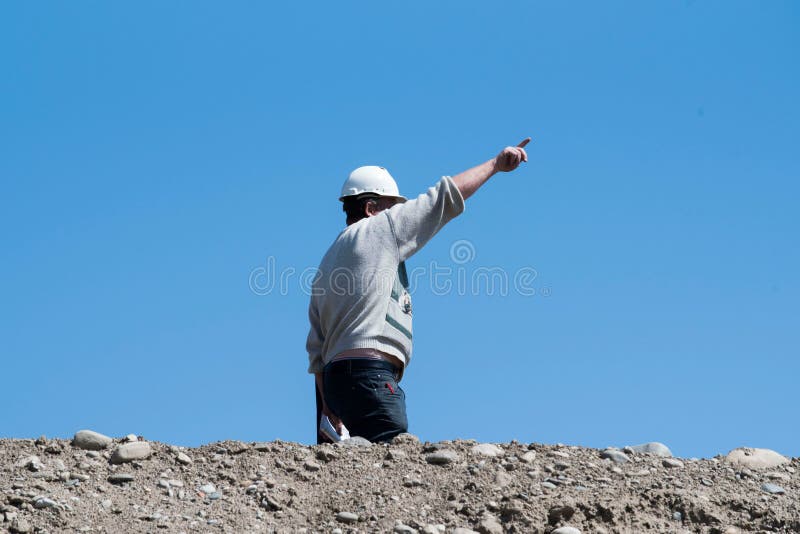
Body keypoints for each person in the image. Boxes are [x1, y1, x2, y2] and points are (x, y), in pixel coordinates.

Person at [307, 138, 530, 443]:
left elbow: (316, 351)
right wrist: (494, 165)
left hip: (337, 386)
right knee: (391, 462)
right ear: (371, 208)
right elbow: (441, 199)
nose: (396, 215)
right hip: (370, 376)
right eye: (390, 208)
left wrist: (328, 408)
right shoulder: (378, 229)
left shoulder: (326, 262)